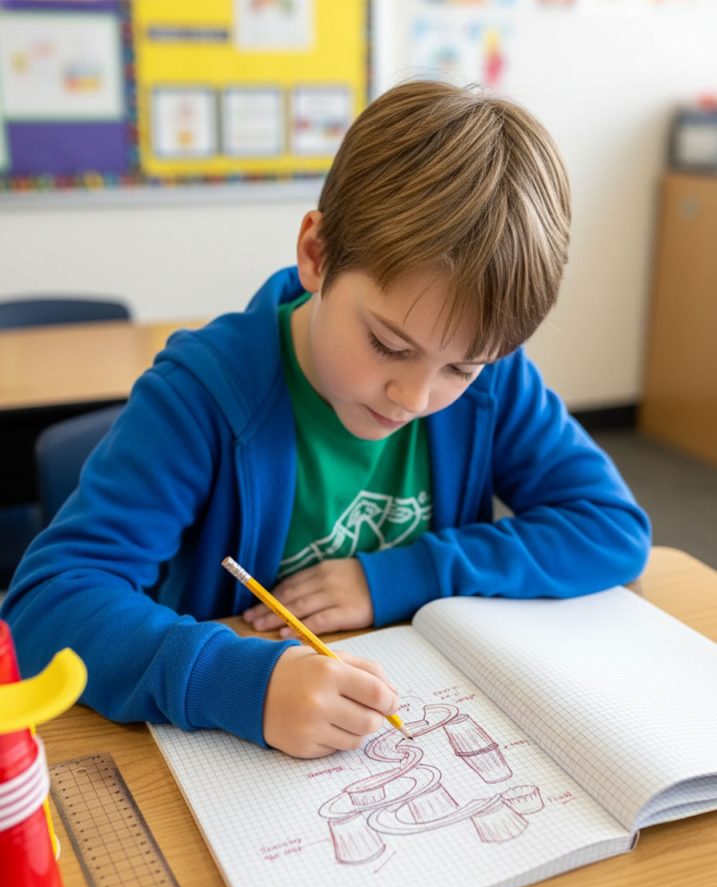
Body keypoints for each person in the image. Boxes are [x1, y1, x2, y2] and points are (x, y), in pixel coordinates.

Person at [1, 81, 651, 759]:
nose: (414, 396)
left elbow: (611, 528)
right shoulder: (198, 397)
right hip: (228, 748)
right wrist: (234, 682)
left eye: (461, 368)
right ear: (316, 255)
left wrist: (404, 576)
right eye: (388, 345)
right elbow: (48, 604)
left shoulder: (495, 382)